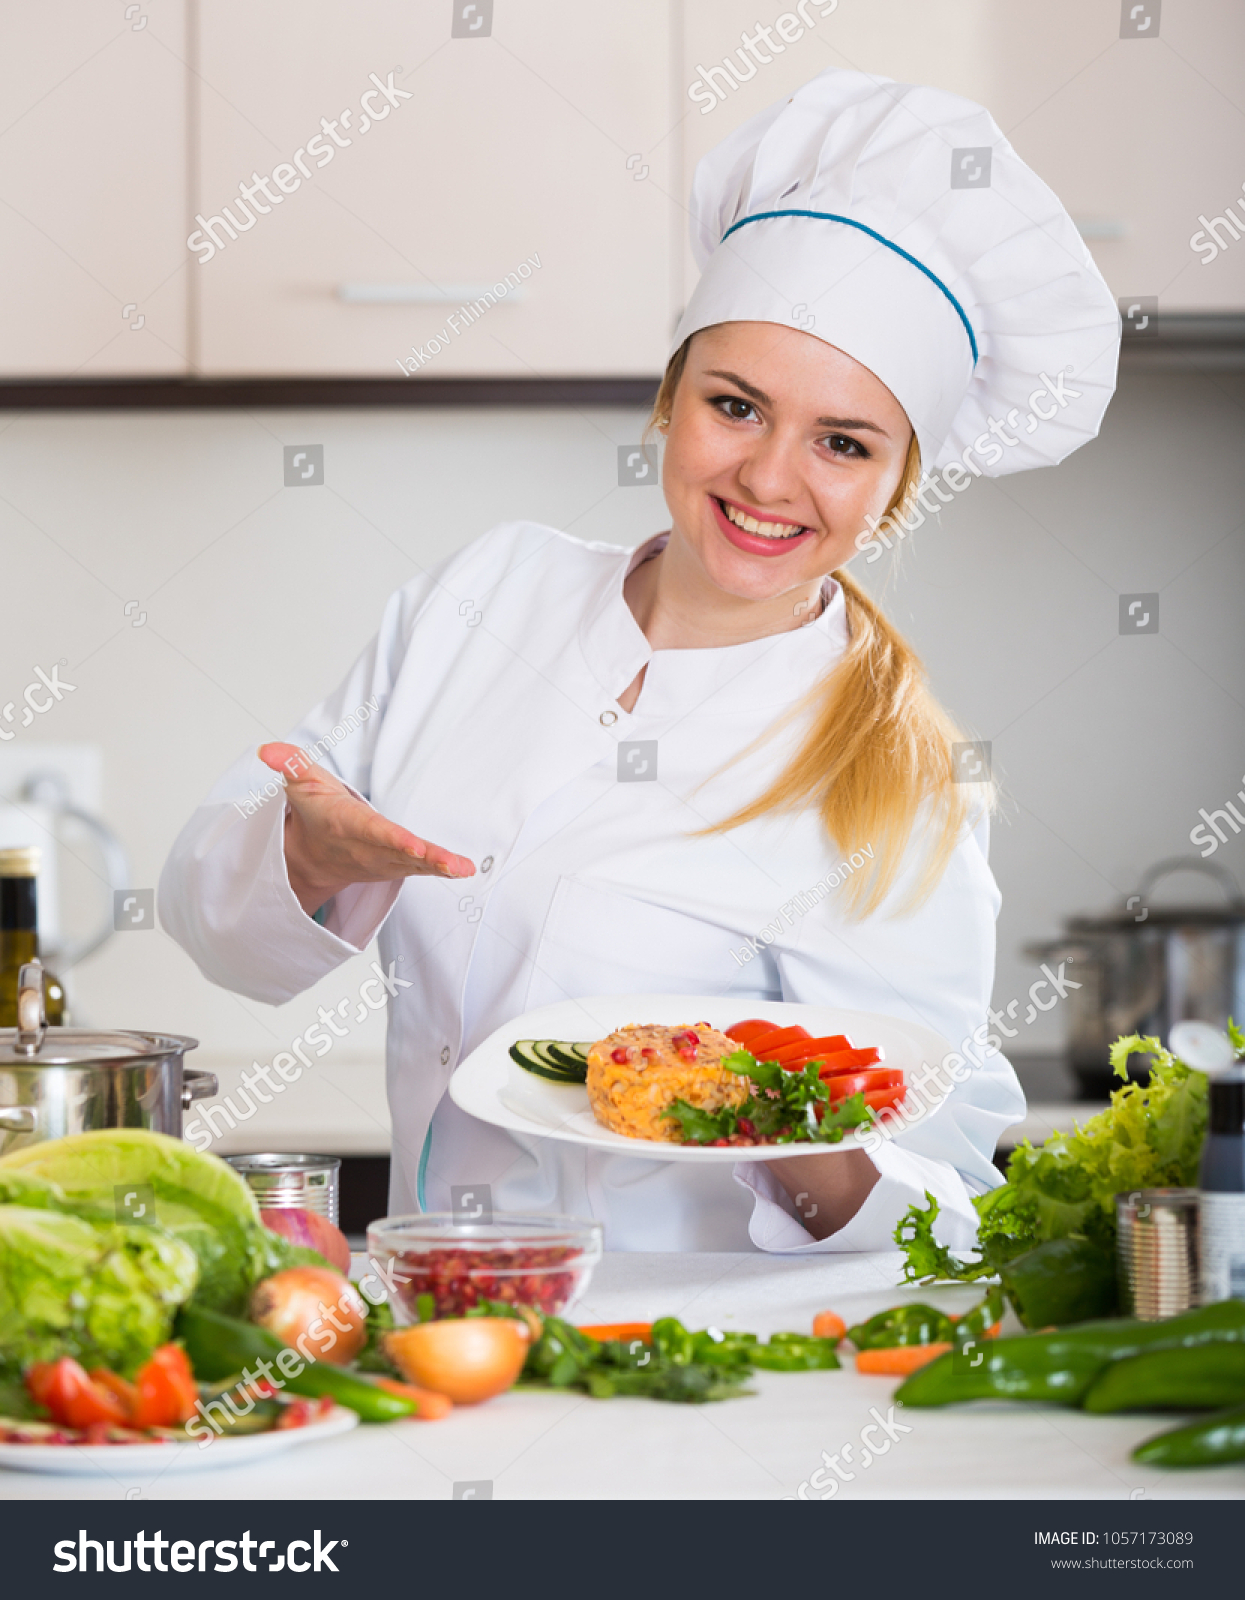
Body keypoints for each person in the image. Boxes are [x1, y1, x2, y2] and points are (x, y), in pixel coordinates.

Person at [159, 66, 1119, 1252]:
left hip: (686, 1364)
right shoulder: (489, 591)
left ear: (895, 482)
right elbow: (212, 925)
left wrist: (775, 1109)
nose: (771, 478)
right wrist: (303, 848)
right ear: (670, 398)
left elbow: (946, 1210)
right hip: (445, 1302)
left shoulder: (894, 779)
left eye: (843, 442)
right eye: (736, 405)